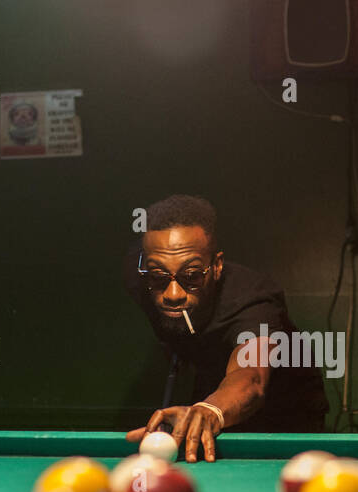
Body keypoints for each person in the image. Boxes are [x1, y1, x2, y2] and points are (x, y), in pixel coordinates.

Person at [124, 195, 329, 462]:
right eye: (159, 277)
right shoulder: (139, 277)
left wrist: (212, 409)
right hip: (212, 392)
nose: (173, 293)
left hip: (286, 407)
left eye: (192, 276)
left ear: (216, 266)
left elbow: (251, 376)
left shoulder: (252, 300)